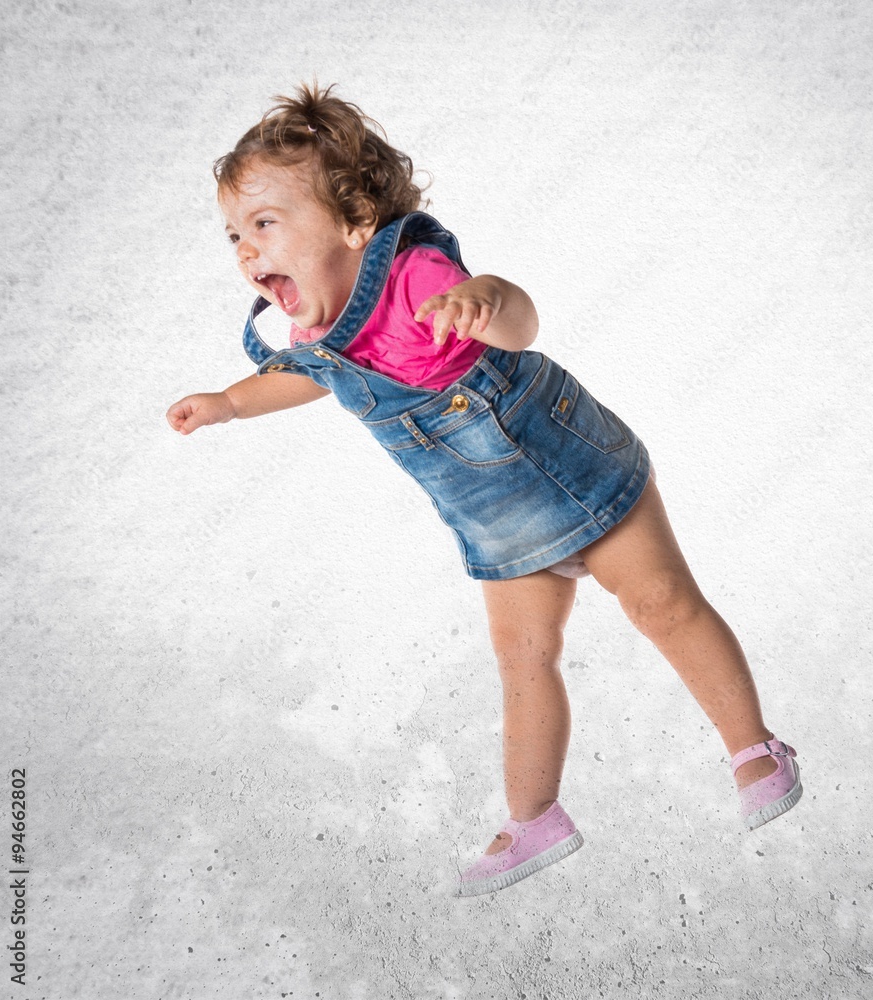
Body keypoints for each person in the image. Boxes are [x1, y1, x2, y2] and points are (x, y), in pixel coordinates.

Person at [166, 83, 802, 898]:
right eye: (234, 235)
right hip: (498, 521)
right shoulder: (315, 331)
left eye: (264, 224)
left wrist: (483, 303)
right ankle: (535, 817)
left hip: (572, 464)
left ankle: (754, 748)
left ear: (355, 221)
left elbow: (520, 321)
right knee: (523, 657)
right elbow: (305, 376)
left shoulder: (413, 273)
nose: (247, 251)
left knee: (660, 604)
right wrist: (229, 402)